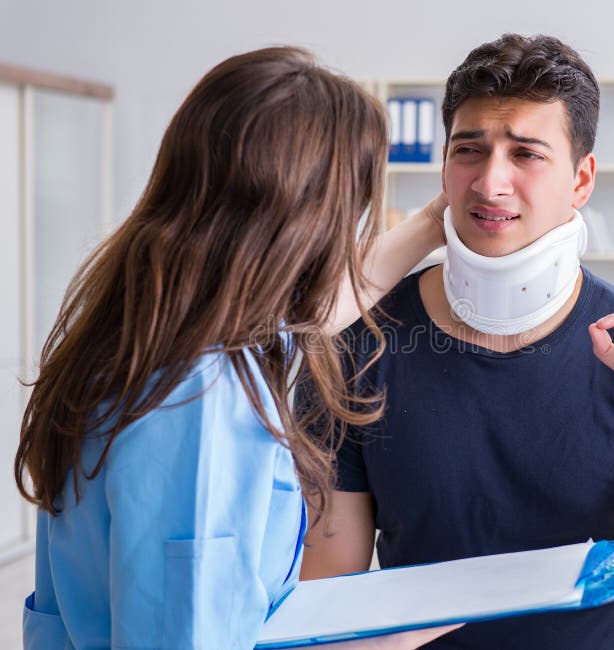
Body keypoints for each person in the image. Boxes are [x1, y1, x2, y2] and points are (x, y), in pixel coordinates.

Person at [299, 34, 614, 649]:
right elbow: (321, 612)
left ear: (582, 180)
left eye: (526, 154)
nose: (490, 182)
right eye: (468, 152)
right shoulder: (358, 349)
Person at [15, 46, 459, 649]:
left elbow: (324, 311)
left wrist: (439, 219)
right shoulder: (200, 396)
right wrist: (388, 641)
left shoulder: (146, 327)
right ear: (299, 218)